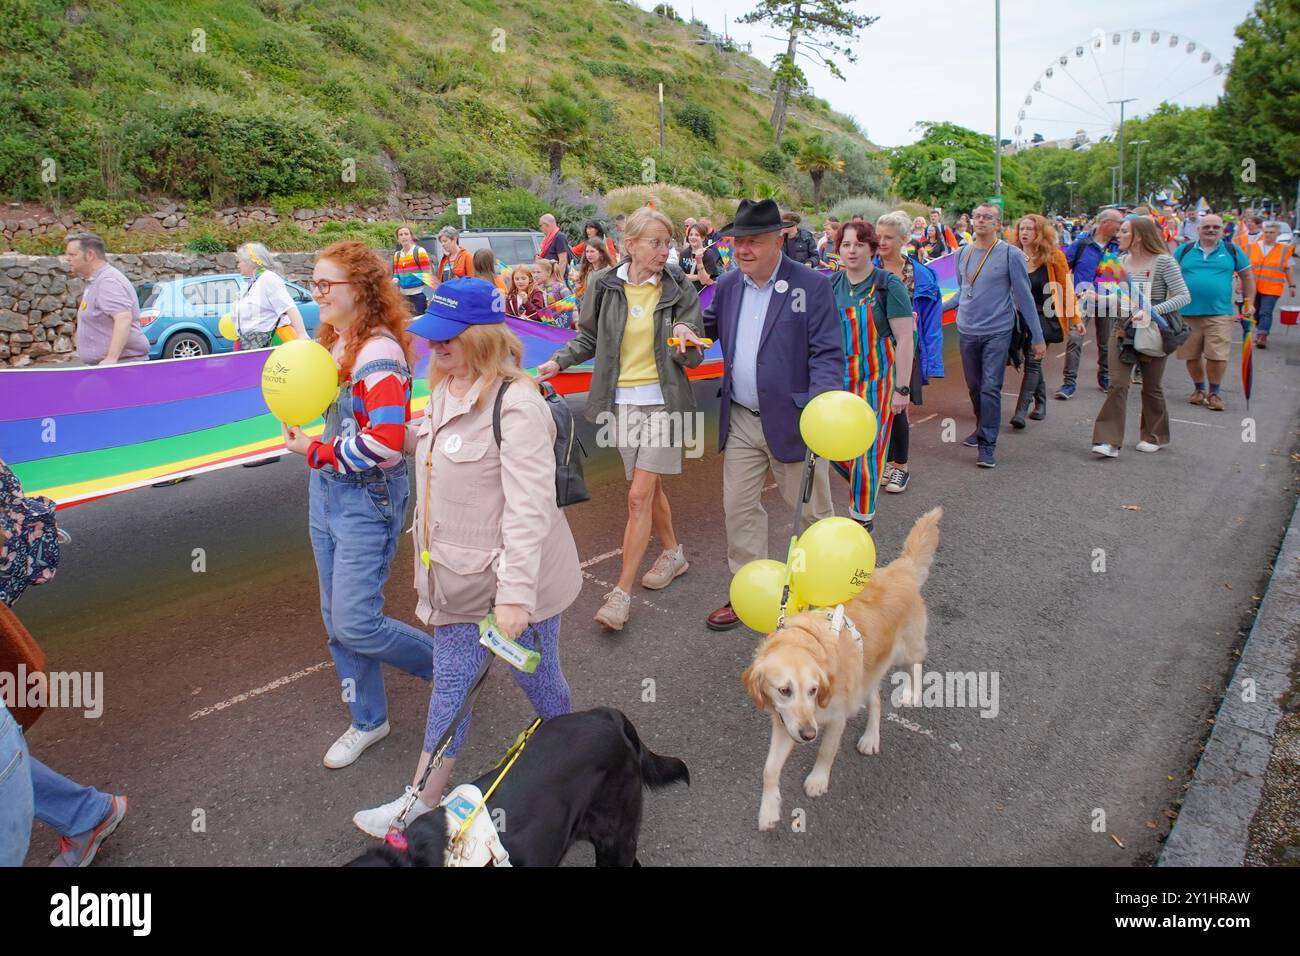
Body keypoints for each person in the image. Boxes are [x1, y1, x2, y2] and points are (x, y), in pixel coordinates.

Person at [351, 277, 582, 836]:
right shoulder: (445, 387)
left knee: (540, 681)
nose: (436, 348)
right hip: (458, 581)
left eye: (450, 338)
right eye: (433, 338)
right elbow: (432, 441)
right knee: (453, 688)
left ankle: (583, 756)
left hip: (511, 586)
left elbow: (531, 510)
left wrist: (515, 599)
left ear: (483, 336)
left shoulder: (519, 405)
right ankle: (422, 799)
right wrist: (382, 439)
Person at [279, 241, 434, 769]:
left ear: (360, 291)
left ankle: (452, 668)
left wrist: (314, 449)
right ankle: (369, 719)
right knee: (334, 619)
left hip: (367, 496)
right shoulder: (335, 342)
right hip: (326, 492)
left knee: (356, 622)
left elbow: (386, 443)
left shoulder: (378, 355)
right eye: (314, 283)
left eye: (327, 285)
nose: (316, 293)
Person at [537, 208, 707, 632]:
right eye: (656, 242)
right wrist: (559, 360)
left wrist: (688, 344)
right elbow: (589, 338)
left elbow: (694, 347)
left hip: (665, 403)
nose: (665, 251)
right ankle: (673, 552)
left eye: (668, 243)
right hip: (622, 404)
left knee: (637, 496)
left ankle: (620, 594)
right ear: (629, 244)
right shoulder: (603, 284)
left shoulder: (679, 285)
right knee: (648, 490)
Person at [700, 199, 844, 631]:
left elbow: (827, 354)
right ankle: (749, 593)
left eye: (753, 242)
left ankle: (824, 592)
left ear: (778, 239)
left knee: (813, 513)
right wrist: (685, 331)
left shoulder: (811, 285)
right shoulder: (727, 285)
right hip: (742, 417)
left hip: (797, 422)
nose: (743, 250)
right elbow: (708, 326)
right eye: (737, 241)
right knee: (739, 509)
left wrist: (819, 411)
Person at [829, 221, 914, 530]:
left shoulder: (888, 285)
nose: (851, 251)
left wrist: (901, 390)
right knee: (831, 447)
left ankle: (862, 520)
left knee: (867, 449)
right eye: (846, 244)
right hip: (839, 382)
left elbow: (906, 339)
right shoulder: (831, 285)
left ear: (872, 248)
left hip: (878, 382)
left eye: (859, 245)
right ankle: (868, 480)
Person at [1090, 216, 1191, 458]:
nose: (1119, 235)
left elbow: (1184, 296)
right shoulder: (1117, 261)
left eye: (1124, 231)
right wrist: (1096, 299)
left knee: (1152, 386)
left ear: (1139, 236)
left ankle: (1154, 436)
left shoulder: (1164, 262)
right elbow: (1114, 297)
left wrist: (1151, 311)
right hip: (1123, 328)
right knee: (1117, 383)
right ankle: (1108, 441)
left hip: (1154, 329)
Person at [954, 204, 1045, 469]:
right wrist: (931, 310)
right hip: (967, 329)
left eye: (987, 218)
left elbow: (1024, 297)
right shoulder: (962, 253)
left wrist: (1037, 337)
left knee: (990, 386)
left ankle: (988, 445)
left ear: (998, 224)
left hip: (997, 330)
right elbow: (961, 293)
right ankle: (982, 427)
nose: (981, 221)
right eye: (977, 216)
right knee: (973, 386)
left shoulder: (1010, 254)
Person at [875, 211, 943, 496]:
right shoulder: (865, 268)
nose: (881, 242)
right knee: (874, 408)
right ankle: (879, 462)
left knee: (897, 407)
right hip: (871, 351)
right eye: (878, 237)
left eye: (888, 238)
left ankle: (899, 466)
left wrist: (932, 363)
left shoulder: (923, 276)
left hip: (906, 351)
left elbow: (931, 324)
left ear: (904, 239)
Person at [1173, 213, 1255, 411]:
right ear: (1198, 229)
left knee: (1217, 355)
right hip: (1186, 313)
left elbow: (1247, 277)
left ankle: (1214, 393)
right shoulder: (1183, 250)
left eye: (1215, 227)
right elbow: (1169, 275)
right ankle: (1199, 390)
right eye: (1207, 226)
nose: (1211, 230)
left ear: (1222, 230)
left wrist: (1249, 303)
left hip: (1219, 313)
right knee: (1191, 355)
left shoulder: (1231, 250)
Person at [1009, 215, 1082, 428]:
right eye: (1021, 228)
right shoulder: (1013, 255)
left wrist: (1075, 318)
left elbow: (1066, 288)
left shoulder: (1054, 257)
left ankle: (1020, 411)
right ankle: (1041, 402)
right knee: (1033, 362)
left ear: (1040, 232)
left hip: (1045, 316)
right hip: (1019, 317)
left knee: (1033, 360)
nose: (1024, 233)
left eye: (1030, 229)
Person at [1057, 208, 1123, 399]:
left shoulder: (1119, 246)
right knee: (1074, 340)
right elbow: (1063, 268)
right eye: (1118, 223)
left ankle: (1105, 378)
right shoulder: (1081, 244)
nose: (1121, 227)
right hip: (1082, 299)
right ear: (1105, 223)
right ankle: (1068, 383)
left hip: (1107, 299)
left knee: (1106, 342)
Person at [63, 233, 149, 366]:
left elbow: (123, 318)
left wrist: (111, 358)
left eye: (72, 255)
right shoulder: (95, 281)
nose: (67, 259)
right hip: (108, 367)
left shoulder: (107, 281)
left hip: (120, 368)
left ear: (90, 255)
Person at [232, 242, 308, 349]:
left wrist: (302, 334)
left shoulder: (268, 278)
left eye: (239, 262)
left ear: (250, 262)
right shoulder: (253, 282)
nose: (238, 265)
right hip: (251, 343)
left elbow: (288, 306)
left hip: (269, 343)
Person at [1247, 220, 1297, 349]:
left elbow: (1289, 268)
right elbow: (1245, 267)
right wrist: (1240, 282)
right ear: (1263, 232)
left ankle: (1262, 335)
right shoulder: (1252, 247)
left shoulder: (1284, 250)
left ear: (1278, 234)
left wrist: (1292, 285)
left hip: (1272, 288)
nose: (1268, 235)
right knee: (1256, 312)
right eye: (1266, 232)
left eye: (1272, 232)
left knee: (1266, 311)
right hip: (1253, 287)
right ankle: (1260, 328)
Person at [392, 225, 435, 315]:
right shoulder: (397, 255)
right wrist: (393, 282)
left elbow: (428, 275)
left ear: (411, 236)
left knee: (419, 324)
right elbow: (396, 274)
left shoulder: (419, 251)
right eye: (400, 235)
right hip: (404, 296)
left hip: (419, 296)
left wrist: (429, 298)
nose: (404, 236)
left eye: (406, 234)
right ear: (398, 239)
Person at [679, 223, 723, 294]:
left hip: (704, 293)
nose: (693, 237)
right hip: (687, 293)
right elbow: (681, 276)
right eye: (691, 235)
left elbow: (704, 281)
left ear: (703, 238)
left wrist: (699, 261)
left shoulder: (708, 254)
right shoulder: (684, 253)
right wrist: (699, 277)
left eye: (697, 235)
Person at [573, 240, 615, 308]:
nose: (589, 255)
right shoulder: (587, 270)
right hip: (588, 308)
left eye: (592, 251)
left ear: (601, 253)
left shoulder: (608, 272)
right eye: (587, 251)